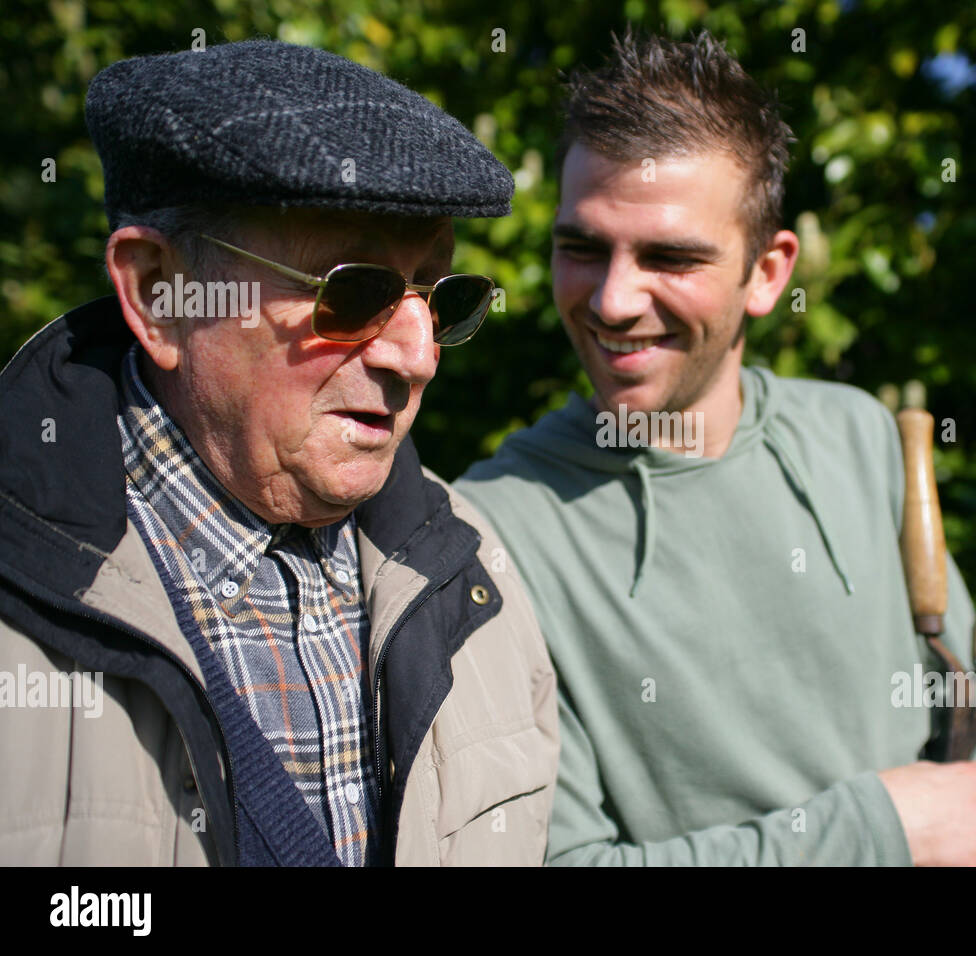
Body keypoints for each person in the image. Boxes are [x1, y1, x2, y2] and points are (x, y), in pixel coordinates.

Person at [456, 31, 976, 865]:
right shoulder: (492, 531)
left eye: (670, 257)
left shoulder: (858, 435)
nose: (613, 301)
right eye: (581, 248)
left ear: (767, 272)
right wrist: (876, 835)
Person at [0, 39, 558, 866]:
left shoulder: (474, 575)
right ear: (159, 292)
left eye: (441, 297)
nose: (417, 355)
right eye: (354, 291)